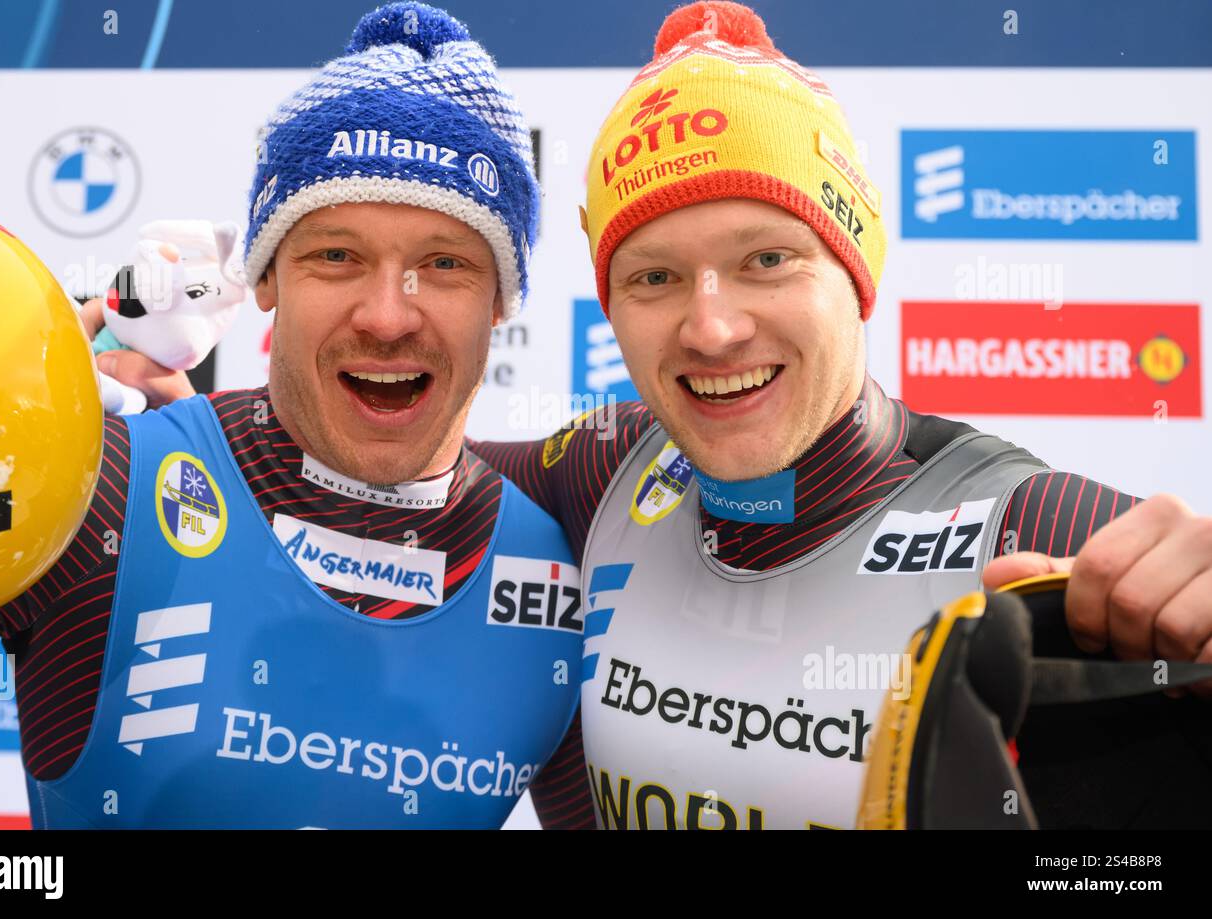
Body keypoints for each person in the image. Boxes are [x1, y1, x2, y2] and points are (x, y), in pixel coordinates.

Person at [472, 0, 1212, 830]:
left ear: (854, 272)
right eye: (654, 277)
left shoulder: (1027, 526)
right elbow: (378, 467)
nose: (712, 328)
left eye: (767, 259)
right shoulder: (604, 468)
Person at [0, 2, 583, 829]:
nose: (386, 314)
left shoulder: (565, 563)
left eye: (443, 264)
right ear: (265, 279)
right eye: (336, 255)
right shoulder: (105, 491)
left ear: (502, 299)